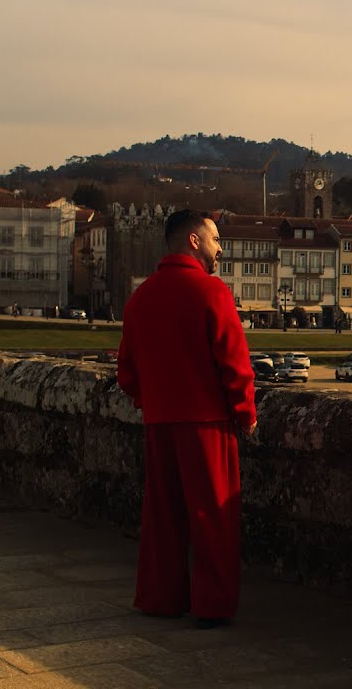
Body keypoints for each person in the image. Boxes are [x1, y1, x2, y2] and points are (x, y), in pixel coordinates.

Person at [116, 209, 256, 630]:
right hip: (207, 422)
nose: (219, 248)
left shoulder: (141, 297)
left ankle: (161, 598)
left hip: (160, 421)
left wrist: (152, 399)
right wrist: (245, 411)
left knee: (163, 515)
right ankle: (211, 605)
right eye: (214, 239)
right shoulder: (211, 292)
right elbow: (235, 363)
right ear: (193, 241)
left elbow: (126, 370)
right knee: (212, 516)